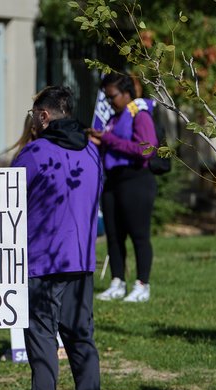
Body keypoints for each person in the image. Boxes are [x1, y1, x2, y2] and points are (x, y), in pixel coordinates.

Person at [13, 85, 107, 390]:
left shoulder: (35, 153)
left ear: (44, 115)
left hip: (41, 260)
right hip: (81, 260)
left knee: (41, 338)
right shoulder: (93, 154)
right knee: (81, 338)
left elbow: (7, 200)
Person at [89, 73, 158, 303]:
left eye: (113, 96)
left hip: (136, 179)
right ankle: (117, 282)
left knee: (138, 235)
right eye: (107, 98)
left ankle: (142, 284)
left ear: (127, 93)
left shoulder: (139, 114)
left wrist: (108, 140)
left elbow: (146, 149)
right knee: (114, 236)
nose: (109, 102)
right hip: (114, 180)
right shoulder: (115, 118)